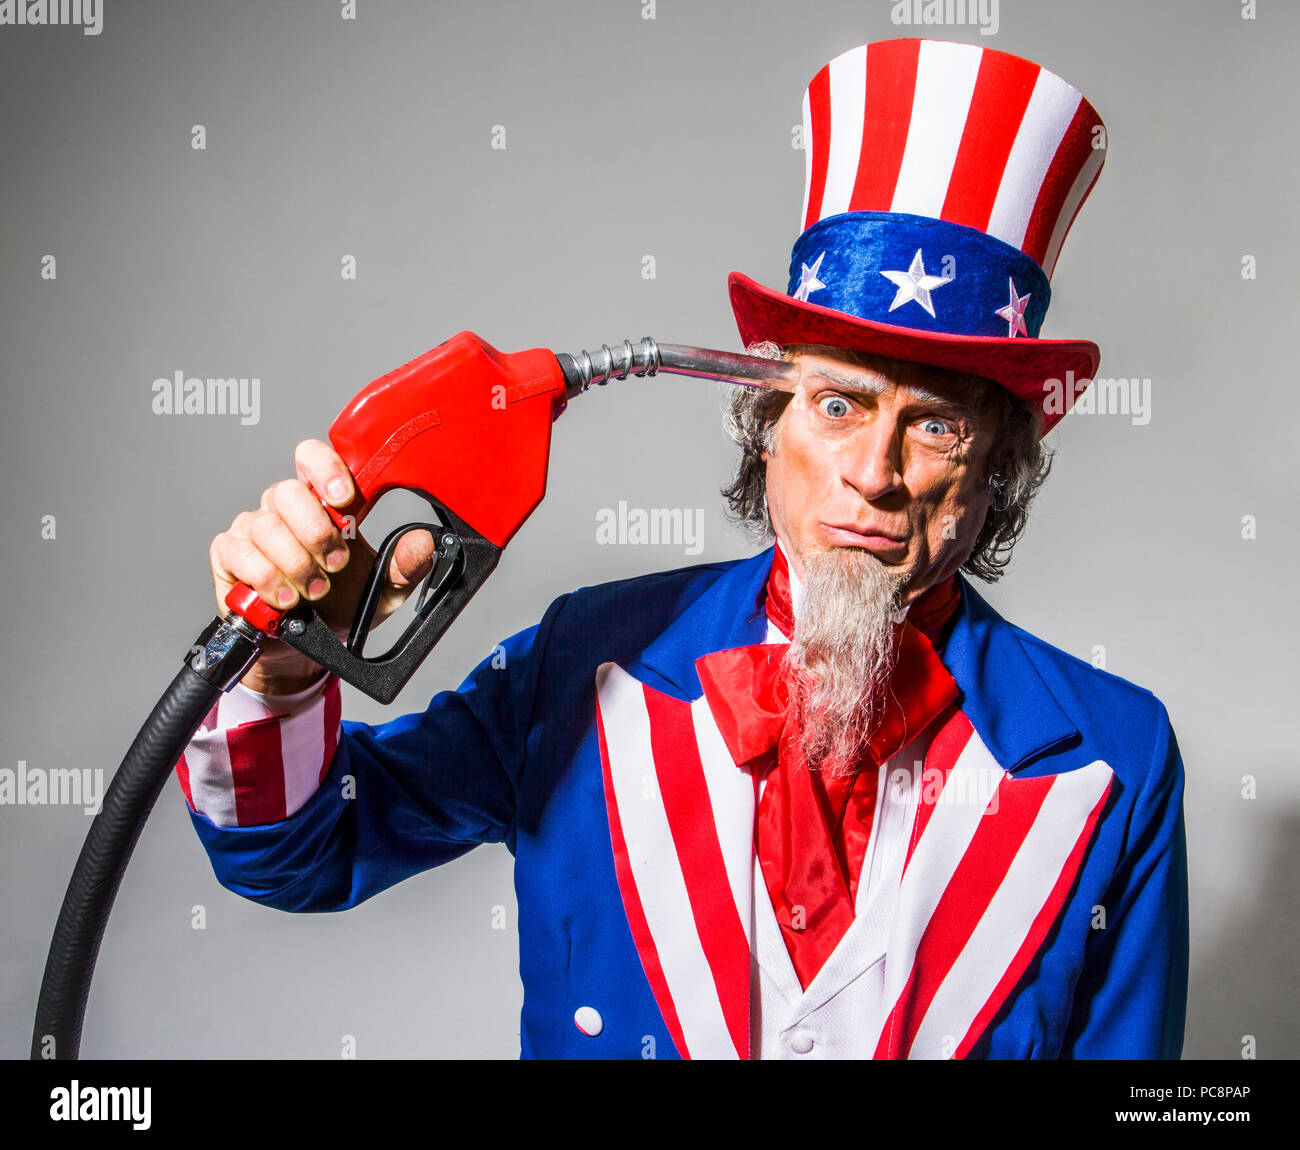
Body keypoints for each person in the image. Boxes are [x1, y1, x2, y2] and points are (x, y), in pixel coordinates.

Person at [177, 38, 1188, 1059]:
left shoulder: (1116, 755)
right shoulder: (581, 659)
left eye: (933, 424)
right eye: (836, 403)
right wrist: (286, 666)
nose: (874, 470)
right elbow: (300, 853)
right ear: (767, 417)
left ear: (996, 468)